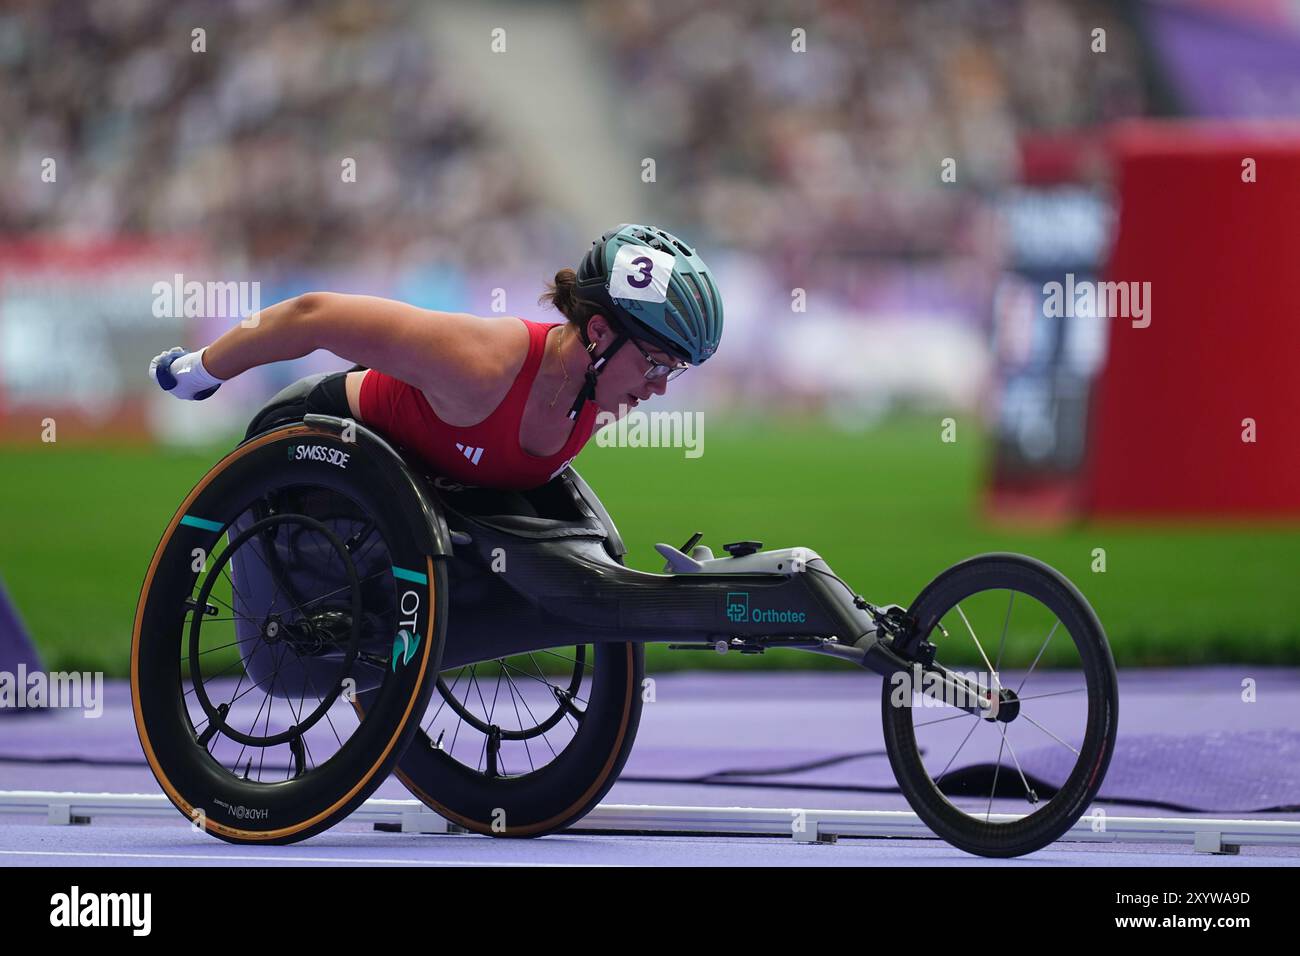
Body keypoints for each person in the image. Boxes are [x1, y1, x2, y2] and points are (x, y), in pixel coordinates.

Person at [148, 224, 724, 494]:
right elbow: (311, 315)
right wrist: (197, 372)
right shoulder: (482, 364)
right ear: (598, 331)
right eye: (656, 364)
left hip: (413, 487)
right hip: (313, 450)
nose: (660, 388)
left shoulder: (596, 393)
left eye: (673, 370)